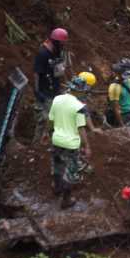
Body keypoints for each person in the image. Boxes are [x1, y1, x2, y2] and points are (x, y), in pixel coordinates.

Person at [46, 74, 92, 209]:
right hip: (70, 143)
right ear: (79, 91)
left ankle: (56, 188)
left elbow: (50, 120)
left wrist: (47, 133)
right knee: (71, 171)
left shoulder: (57, 99)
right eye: (83, 91)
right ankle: (66, 199)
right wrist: (87, 146)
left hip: (56, 139)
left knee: (57, 165)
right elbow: (81, 128)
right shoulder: (79, 106)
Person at [33, 27, 69, 139]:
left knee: (55, 119)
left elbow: (60, 71)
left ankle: (51, 142)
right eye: (61, 43)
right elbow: (37, 73)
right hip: (45, 91)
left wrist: (65, 84)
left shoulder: (57, 52)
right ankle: (37, 143)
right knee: (44, 120)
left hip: (55, 90)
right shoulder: (43, 53)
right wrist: (37, 91)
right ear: (56, 42)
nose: (63, 46)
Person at [106, 58, 130, 127]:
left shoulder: (128, 80)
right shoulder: (114, 87)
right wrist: (122, 125)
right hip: (123, 116)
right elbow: (116, 108)